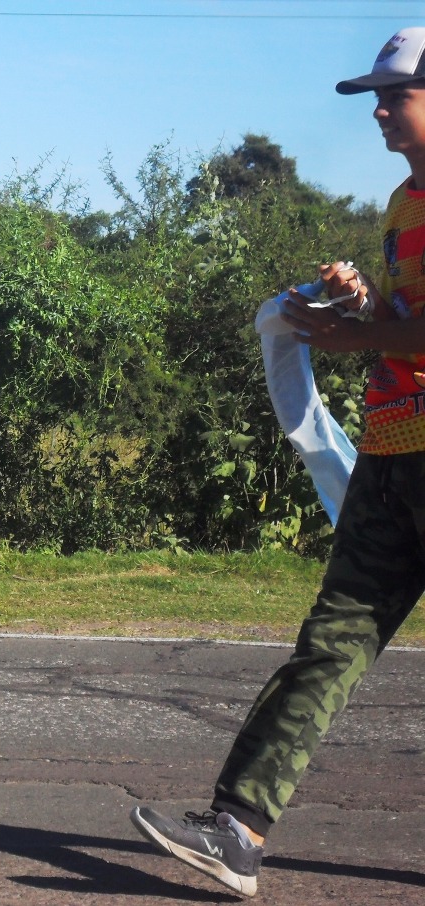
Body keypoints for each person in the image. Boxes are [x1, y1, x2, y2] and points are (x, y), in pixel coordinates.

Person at [130, 26, 425, 898]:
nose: (376, 110)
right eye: (374, 95)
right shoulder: (404, 206)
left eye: (394, 94)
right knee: (329, 645)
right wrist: (361, 302)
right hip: (393, 451)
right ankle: (237, 830)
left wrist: (353, 333)